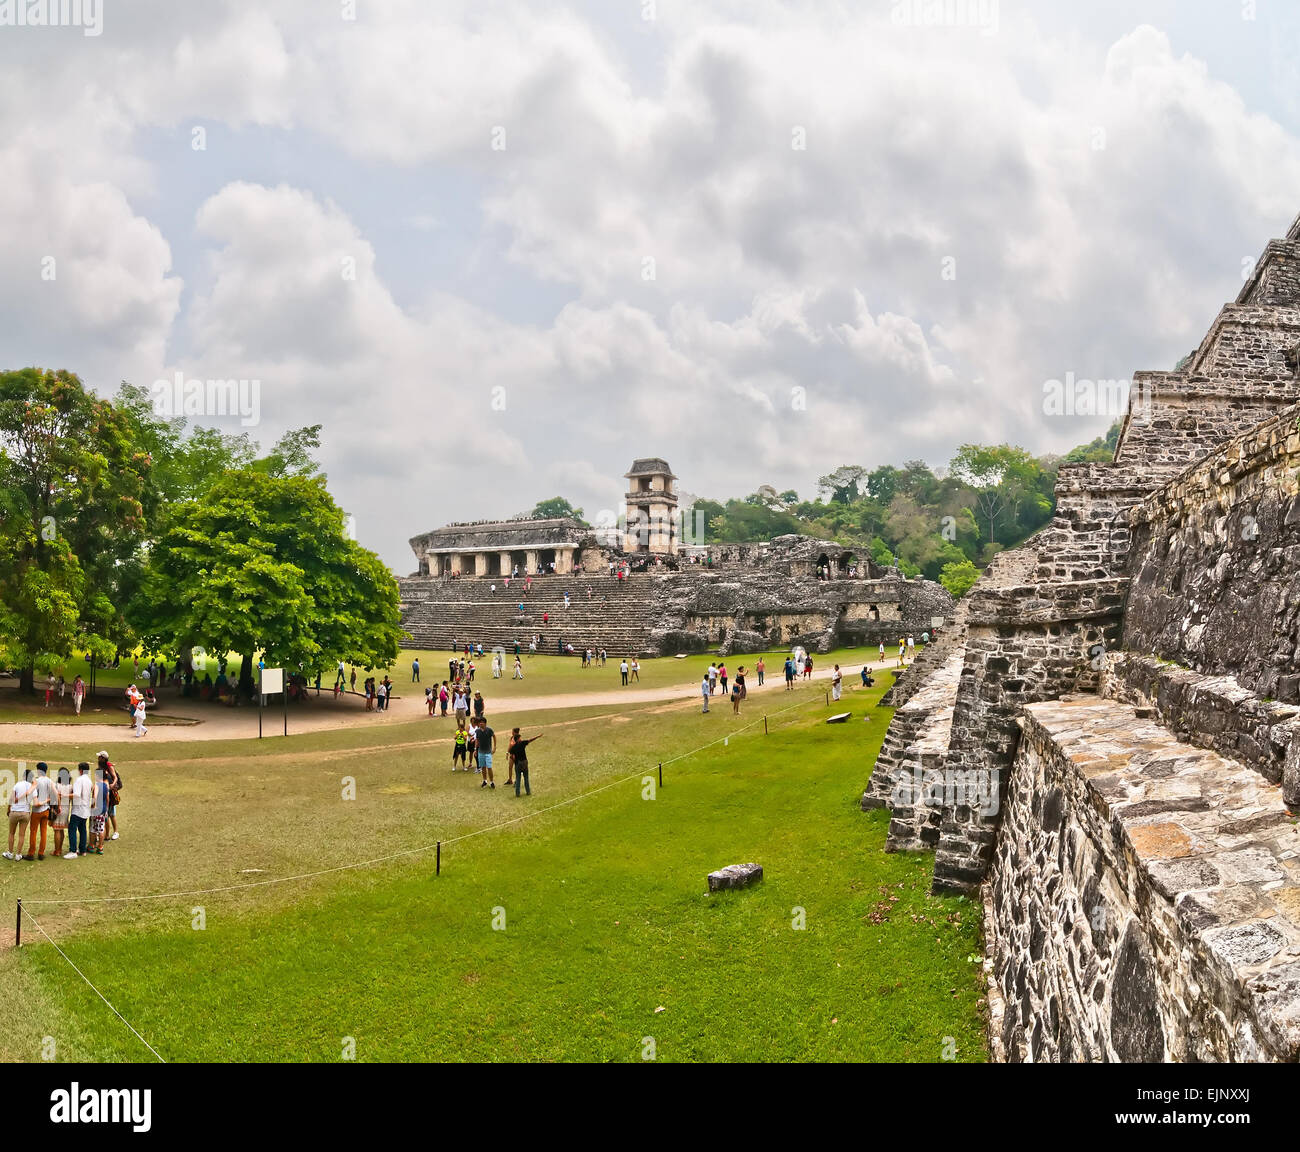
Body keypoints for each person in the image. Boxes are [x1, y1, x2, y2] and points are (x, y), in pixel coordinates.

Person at [26, 762, 54, 860]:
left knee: (33, 832)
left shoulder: (36, 781)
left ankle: (31, 853)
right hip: (46, 809)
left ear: (39, 770)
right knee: (44, 832)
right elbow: (53, 794)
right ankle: (41, 853)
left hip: (36, 810)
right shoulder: (49, 781)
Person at [4, 768, 33, 860]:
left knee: (11, 833)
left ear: (23, 776)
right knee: (22, 835)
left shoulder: (17, 784)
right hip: (25, 813)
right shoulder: (32, 787)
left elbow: (11, 799)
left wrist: (9, 809)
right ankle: (18, 854)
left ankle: (10, 853)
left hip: (15, 811)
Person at [67, 762, 93, 857]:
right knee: (82, 830)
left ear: (80, 770)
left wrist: (65, 795)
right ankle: (83, 850)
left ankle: (73, 850)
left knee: (72, 829)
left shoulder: (79, 780)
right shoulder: (89, 781)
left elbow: (77, 794)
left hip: (78, 809)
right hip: (85, 809)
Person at [509, 728, 541, 796]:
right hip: (524, 763)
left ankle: (517, 793)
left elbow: (511, 756)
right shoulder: (522, 743)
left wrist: (515, 761)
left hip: (518, 764)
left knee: (518, 779)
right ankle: (528, 792)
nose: (521, 739)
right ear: (518, 739)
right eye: (520, 738)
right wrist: (537, 736)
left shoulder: (513, 748)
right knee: (526, 778)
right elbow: (530, 740)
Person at [50, 768, 72, 858]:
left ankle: (57, 850)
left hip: (58, 809)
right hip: (66, 810)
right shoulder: (71, 787)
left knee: (57, 830)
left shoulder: (56, 785)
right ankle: (60, 848)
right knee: (61, 829)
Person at [89, 766, 110, 854]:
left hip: (96, 810)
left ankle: (92, 846)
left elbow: (95, 796)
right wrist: (106, 809)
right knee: (101, 828)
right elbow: (107, 798)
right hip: (103, 809)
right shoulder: (105, 785)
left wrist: (93, 805)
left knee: (93, 829)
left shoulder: (96, 785)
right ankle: (100, 847)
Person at [99, 752, 120, 840]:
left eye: (100, 757)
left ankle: (115, 832)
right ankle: (106, 834)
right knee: (107, 814)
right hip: (105, 790)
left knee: (111, 814)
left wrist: (112, 785)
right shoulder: (101, 766)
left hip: (110, 792)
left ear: (103, 758)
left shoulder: (109, 765)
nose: (98, 758)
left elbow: (115, 777)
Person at [476, 717, 496, 789]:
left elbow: (494, 736)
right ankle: (485, 781)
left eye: (482, 722)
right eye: (480, 722)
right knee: (483, 767)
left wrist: (494, 747)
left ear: (485, 723)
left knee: (489, 767)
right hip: (480, 752)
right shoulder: (477, 731)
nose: (481, 723)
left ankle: (492, 782)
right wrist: (476, 749)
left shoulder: (489, 730)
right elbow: (477, 740)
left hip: (488, 752)